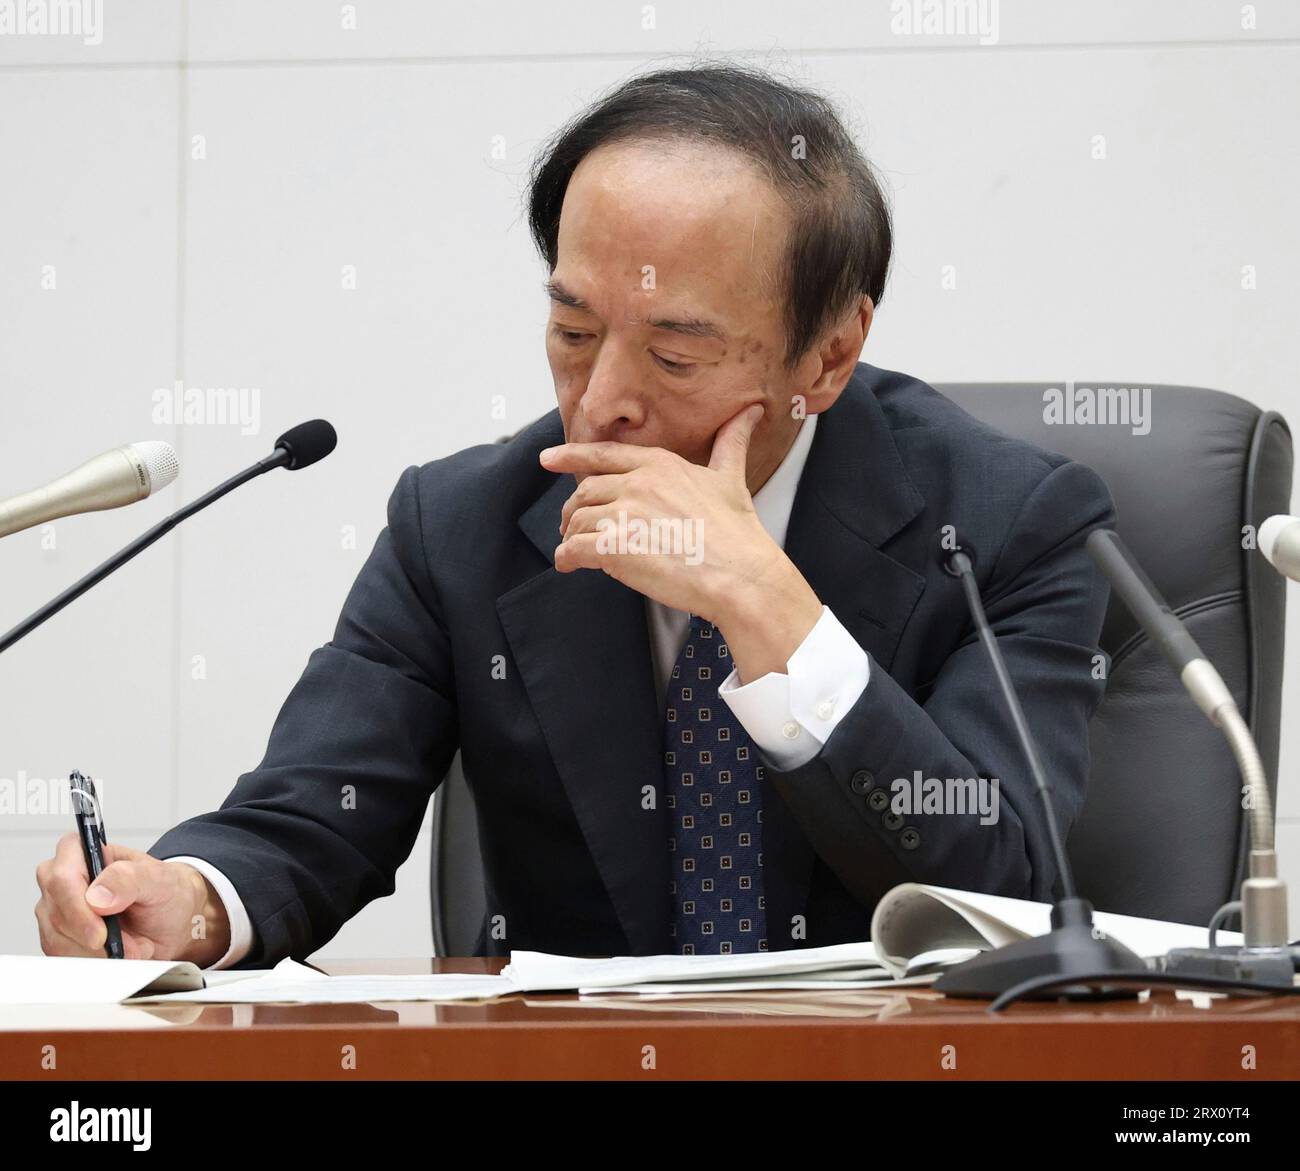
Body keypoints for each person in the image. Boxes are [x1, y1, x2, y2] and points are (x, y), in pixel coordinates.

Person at [35, 64, 1114, 966]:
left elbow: (999, 889)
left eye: (676, 354)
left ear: (827, 355)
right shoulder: (460, 523)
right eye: (571, 329)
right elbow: (316, 811)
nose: (600, 403)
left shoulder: (1005, 526)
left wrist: (768, 608)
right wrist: (195, 901)